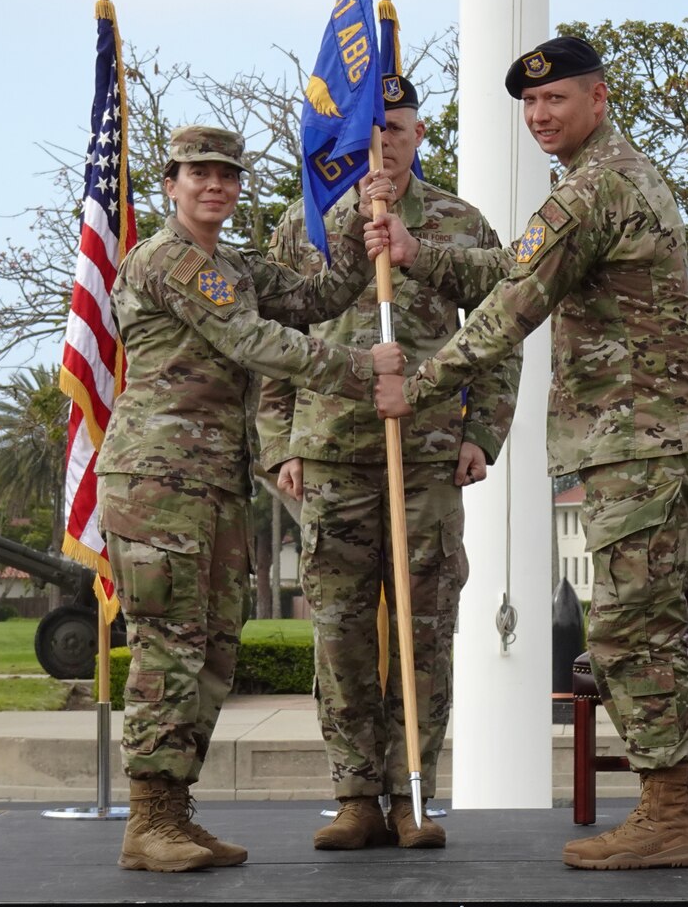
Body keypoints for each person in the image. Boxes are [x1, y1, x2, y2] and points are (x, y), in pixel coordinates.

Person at [365, 36, 688, 870]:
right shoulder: (605, 179)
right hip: (641, 438)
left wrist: (419, 386)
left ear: (598, 98)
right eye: (528, 104)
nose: (538, 116)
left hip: (641, 439)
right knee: (637, 627)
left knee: (632, 633)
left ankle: (668, 816)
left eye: (554, 99)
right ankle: (668, 807)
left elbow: (513, 306)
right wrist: (419, 255)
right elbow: (516, 266)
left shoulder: (594, 189)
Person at [96, 125, 403, 873]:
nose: (215, 186)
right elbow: (253, 340)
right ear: (170, 183)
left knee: (213, 647)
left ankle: (173, 811)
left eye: (228, 176)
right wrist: (362, 368)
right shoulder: (167, 259)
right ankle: (148, 819)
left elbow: (314, 297)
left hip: (214, 480)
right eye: (199, 173)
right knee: (168, 644)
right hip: (156, 479)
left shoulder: (233, 263)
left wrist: (361, 229)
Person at [256, 75, 521, 851]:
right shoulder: (305, 224)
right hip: (331, 453)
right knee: (339, 634)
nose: (383, 147)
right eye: (370, 134)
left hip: (429, 453)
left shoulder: (459, 224)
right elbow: (273, 341)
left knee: (424, 631)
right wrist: (280, 444)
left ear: (419, 135)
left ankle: (412, 795)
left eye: (396, 130)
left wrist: (482, 433)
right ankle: (354, 796)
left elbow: (503, 329)